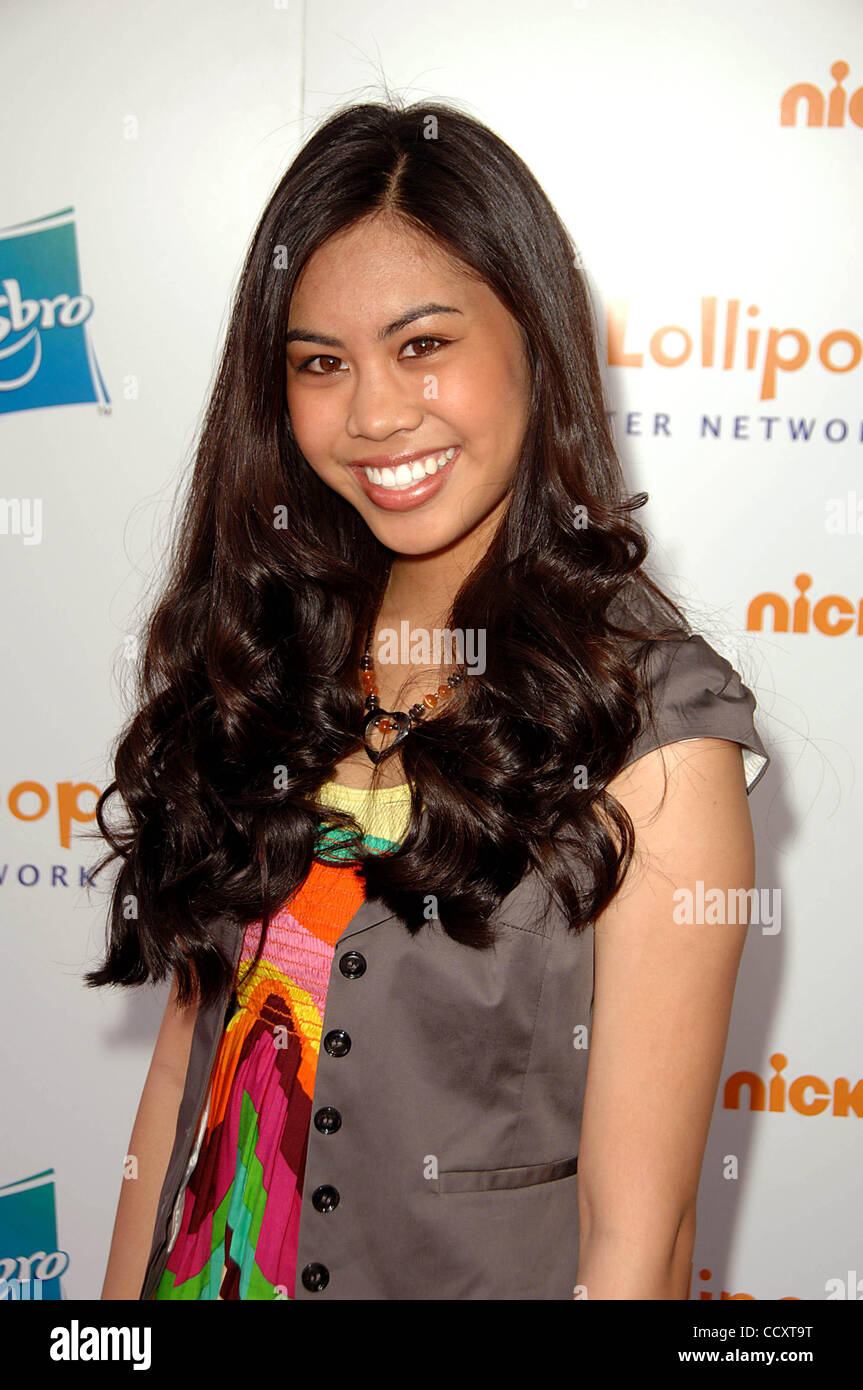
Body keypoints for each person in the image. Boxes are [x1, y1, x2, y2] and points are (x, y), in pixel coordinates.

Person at [89, 98, 770, 1301]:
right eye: (318, 364)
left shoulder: (652, 731)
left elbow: (638, 1244)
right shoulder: (264, 663)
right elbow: (182, 1086)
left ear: (534, 341)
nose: (371, 415)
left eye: (421, 345)